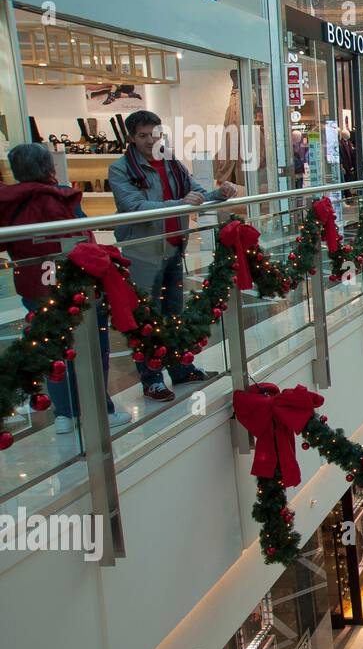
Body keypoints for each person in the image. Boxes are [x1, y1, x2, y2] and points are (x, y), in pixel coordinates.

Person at [0, 143, 132, 432]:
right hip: (75, 284)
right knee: (93, 347)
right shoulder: (61, 197)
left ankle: (64, 414)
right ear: (49, 167)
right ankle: (100, 410)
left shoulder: (10, 203)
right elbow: (81, 237)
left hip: (34, 285)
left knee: (52, 350)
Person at [108, 110, 237, 402]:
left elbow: (198, 193)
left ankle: (180, 368)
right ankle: (151, 378)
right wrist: (179, 203)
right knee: (146, 319)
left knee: (173, 314)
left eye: (155, 134)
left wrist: (221, 192)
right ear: (131, 138)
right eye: (143, 136)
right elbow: (133, 206)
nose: (150, 140)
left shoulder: (171, 163)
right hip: (142, 253)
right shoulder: (121, 169)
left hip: (173, 247)